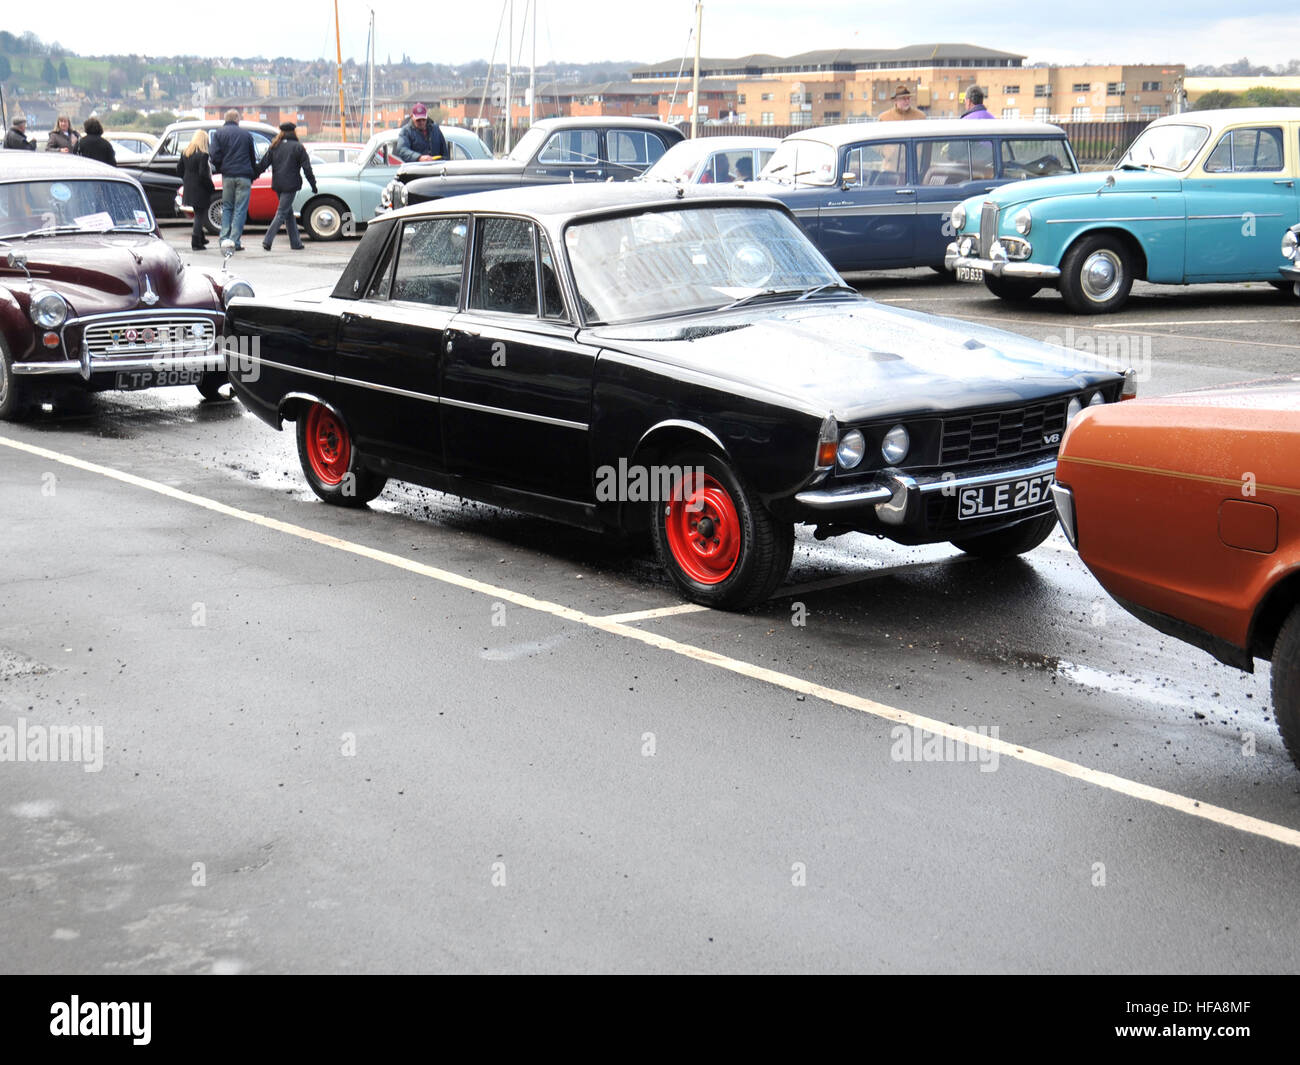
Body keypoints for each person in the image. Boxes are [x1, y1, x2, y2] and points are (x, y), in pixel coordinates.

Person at [254, 122, 318, 251]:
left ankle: (296, 243)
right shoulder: (298, 147)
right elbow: (307, 168)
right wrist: (313, 185)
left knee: (288, 213)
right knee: (282, 212)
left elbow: (262, 165)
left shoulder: (274, 146)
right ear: (294, 132)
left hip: (278, 184)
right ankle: (267, 240)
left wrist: (252, 176)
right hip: (291, 184)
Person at [208, 110, 257, 251]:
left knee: (227, 207)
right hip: (244, 175)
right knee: (240, 209)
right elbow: (252, 157)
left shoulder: (219, 134)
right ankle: (235, 240)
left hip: (228, 175)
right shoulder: (246, 135)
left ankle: (223, 238)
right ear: (237, 119)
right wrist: (252, 173)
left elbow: (214, 155)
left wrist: (221, 167)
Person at [176, 129, 215, 251]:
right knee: (200, 215)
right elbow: (203, 174)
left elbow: (179, 170)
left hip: (189, 188)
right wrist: (211, 186)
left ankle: (201, 238)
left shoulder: (185, 153)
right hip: (200, 189)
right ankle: (196, 241)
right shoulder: (203, 155)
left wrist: (187, 180)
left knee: (198, 214)